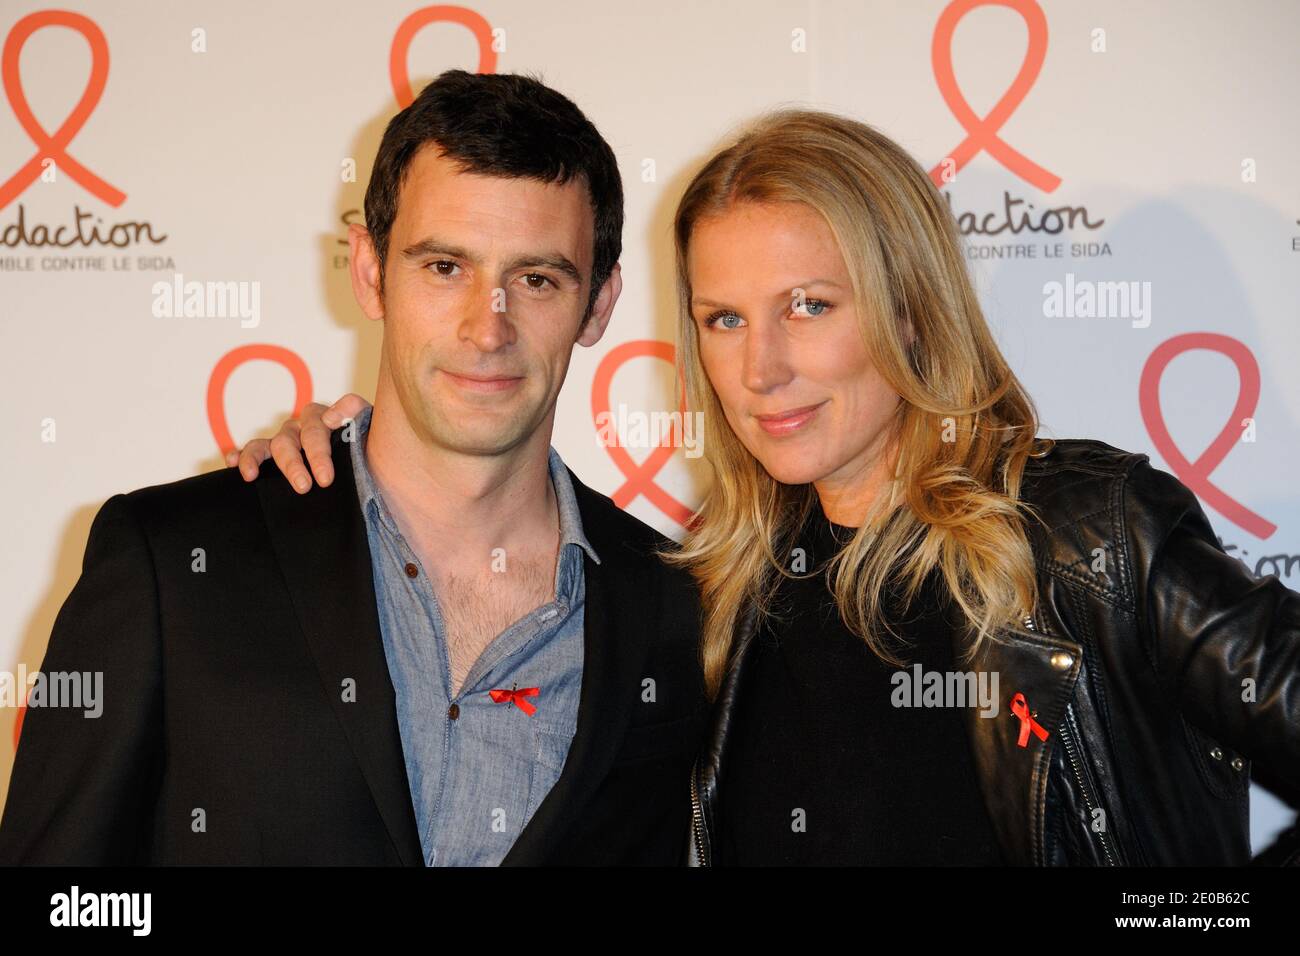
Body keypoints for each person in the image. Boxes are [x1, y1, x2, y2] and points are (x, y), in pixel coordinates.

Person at [233, 109, 1300, 866]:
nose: (761, 371)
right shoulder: (713, 597)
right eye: (725, 318)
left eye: (809, 307)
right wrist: (345, 472)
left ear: (911, 309)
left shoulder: (1084, 538)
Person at [0, 70, 708, 866]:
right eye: (445, 268)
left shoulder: (678, 610)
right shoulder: (172, 561)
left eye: (536, 279)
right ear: (370, 270)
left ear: (600, 304)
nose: (489, 327)